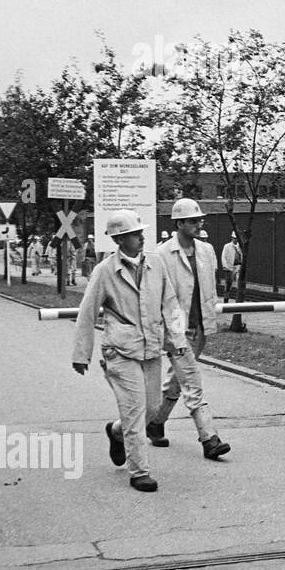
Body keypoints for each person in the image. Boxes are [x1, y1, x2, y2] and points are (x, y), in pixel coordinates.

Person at [72, 208, 187, 493]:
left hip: (151, 348)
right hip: (120, 350)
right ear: (119, 240)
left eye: (140, 232)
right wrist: (81, 353)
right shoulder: (105, 271)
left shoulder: (156, 264)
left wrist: (178, 339)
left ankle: (115, 432)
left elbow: (171, 304)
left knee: (152, 408)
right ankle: (140, 471)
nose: (140, 238)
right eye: (133, 234)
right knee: (135, 411)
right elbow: (87, 313)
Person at [148, 198, 231, 460]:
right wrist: (166, 334)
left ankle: (155, 423)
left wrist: (209, 322)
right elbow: (157, 296)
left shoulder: (206, 251)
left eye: (199, 219)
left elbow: (209, 290)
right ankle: (209, 438)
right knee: (192, 383)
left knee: (177, 381)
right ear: (179, 223)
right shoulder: (162, 254)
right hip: (176, 331)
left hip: (200, 328)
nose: (198, 223)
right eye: (193, 220)